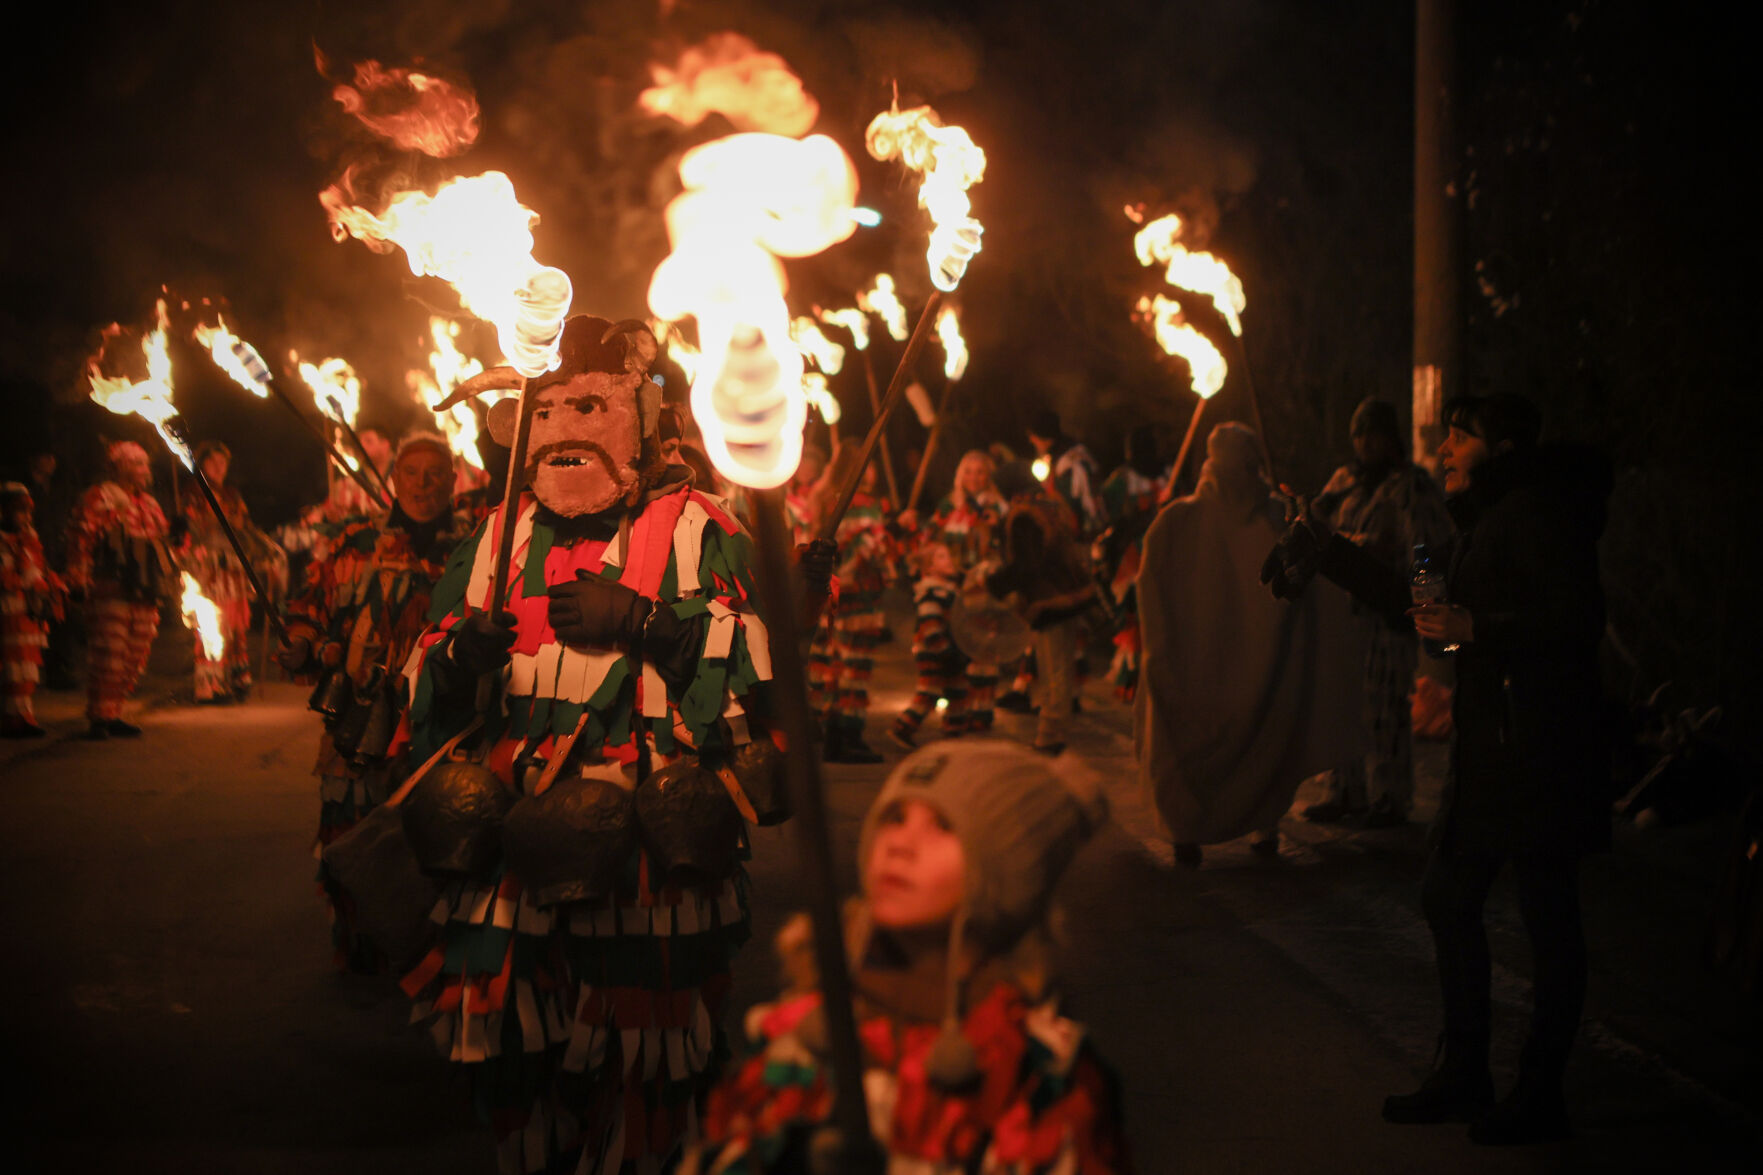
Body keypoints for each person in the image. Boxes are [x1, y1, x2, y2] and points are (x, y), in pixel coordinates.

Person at [394, 316, 779, 1174]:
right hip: (508, 822)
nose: (567, 426)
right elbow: (424, 676)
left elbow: (759, 654)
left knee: (640, 1032)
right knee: (504, 1027)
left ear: (643, 422)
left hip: (646, 824)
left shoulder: (696, 525)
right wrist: (459, 655)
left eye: (592, 405)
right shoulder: (494, 536)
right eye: (551, 408)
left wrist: (648, 623)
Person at [1266, 393, 1612, 1145]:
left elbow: (1575, 621)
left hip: (1541, 750)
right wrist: (1324, 548)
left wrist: (1475, 627)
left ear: (1507, 444)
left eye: (1462, 434)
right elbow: (1425, 610)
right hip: (1493, 748)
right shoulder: (1482, 519)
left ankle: (1539, 1089)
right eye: (1446, 431)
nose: (1445, 444)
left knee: (1548, 922)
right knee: (1449, 897)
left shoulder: (1541, 512)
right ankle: (1465, 1072)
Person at [690, 740, 1130, 1174]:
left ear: (1011, 874)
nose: (900, 844)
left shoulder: (1034, 1073)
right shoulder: (808, 1028)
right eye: (895, 819)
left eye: (942, 827)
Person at [278, 432, 471, 969]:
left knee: (439, 826)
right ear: (393, 481)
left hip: (442, 717)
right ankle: (358, 940)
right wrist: (301, 644)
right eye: (412, 473)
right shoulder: (357, 543)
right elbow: (311, 611)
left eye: (436, 473)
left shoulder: (476, 547)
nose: (423, 484)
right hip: (362, 714)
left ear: (455, 480)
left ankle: (434, 947)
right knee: (352, 822)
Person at [1135, 423, 1361, 867]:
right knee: (1182, 741)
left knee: (1267, 739)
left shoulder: (1278, 520)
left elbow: (1308, 582)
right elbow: (1152, 590)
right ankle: (1187, 826)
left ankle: (1262, 820)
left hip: (1262, 668)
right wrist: (1160, 652)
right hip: (1191, 664)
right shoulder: (1176, 522)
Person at [1300, 399, 1454, 827]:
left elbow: (1426, 550)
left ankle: (1389, 797)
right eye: (1359, 433)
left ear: (1391, 437)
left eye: (1374, 432)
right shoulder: (1343, 482)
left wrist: (1428, 610)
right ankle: (1345, 790)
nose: (1366, 442)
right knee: (1341, 704)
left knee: (1383, 709)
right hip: (1343, 615)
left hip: (1386, 611)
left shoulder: (1411, 486)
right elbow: (1316, 526)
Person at [64, 439, 176, 740]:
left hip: (144, 590)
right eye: (137, 465)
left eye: (145, 465)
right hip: (110, 588)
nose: (144, 471)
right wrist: (78, 579)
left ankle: (114, 712)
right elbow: (81, 540)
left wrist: (179, 535)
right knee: (109, 653)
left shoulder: (150, 504)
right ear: (120, 468)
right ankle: (99, 715)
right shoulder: (99, 497)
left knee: (134, 654)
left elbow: (164, 547)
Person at [896, 448, 1008, 738]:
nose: (974, 477)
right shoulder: (948, 506)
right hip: (952, 588)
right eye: (968, 471)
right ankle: (959, 716)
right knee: (958, 649)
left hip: (982, 585)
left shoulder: (996, 507)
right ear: (961, 476)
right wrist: (910, 527)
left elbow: (1002, 543)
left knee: (982, 649)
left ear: (988, 476)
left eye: (980, 471)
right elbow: (928, 541)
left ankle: (980, 714)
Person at [984, 469, 1096, 756]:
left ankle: (1050, 737)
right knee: (1059, 669)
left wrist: (993, 585)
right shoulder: (1050, 508)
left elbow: (1027, 565)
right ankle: (1054, 732)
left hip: (1048, 599)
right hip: (1069, 594)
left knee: (1053, 671)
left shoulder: (1024, 517)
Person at [177, 441, 285, 704]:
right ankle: (210, 685)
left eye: (223, 463)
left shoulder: (233, 495)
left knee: (236, 625)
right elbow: (187, 532)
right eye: (212, 463)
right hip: (208, 570)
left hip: (234, 570)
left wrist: (267, 552)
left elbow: (246, 528)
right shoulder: (194, 494)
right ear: (201, 465)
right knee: (214, 622)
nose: (218, 468)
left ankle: (235, 680)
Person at [807, 453, 894, 764]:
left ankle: (834, 736)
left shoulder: (829, 499)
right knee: (855, 667)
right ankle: (848, 736)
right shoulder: (860, 503)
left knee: (839, 667)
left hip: (837, 594)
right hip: (858, 594)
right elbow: (867, 546)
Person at [1095, 424, 1170, 701]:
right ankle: (1134, 679)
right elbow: (1108, 515)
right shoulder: (1121, 480)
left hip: (1165, 553)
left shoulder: (1169, 475)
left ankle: (1160, 678)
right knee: (1137, 615)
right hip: (1134, 556)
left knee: (1161, 615)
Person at [1, 482, 65, 737]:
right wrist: (25, 579)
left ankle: (23, 714)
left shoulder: (30, 539)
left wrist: (49, 583)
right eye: (19, 511)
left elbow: (37, 568)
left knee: (26, 664)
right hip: (8, 611)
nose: (26, 517)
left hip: (27, 612)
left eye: (28, 511)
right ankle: (12, 718)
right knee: (12, 666)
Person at [1026, 408, 1103, 534]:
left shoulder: (1069, 464)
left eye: (1033, 436)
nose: (1031, 440)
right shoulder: (1060, 456)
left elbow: (1067, 506)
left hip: (1084, 532)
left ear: (1044, 436)